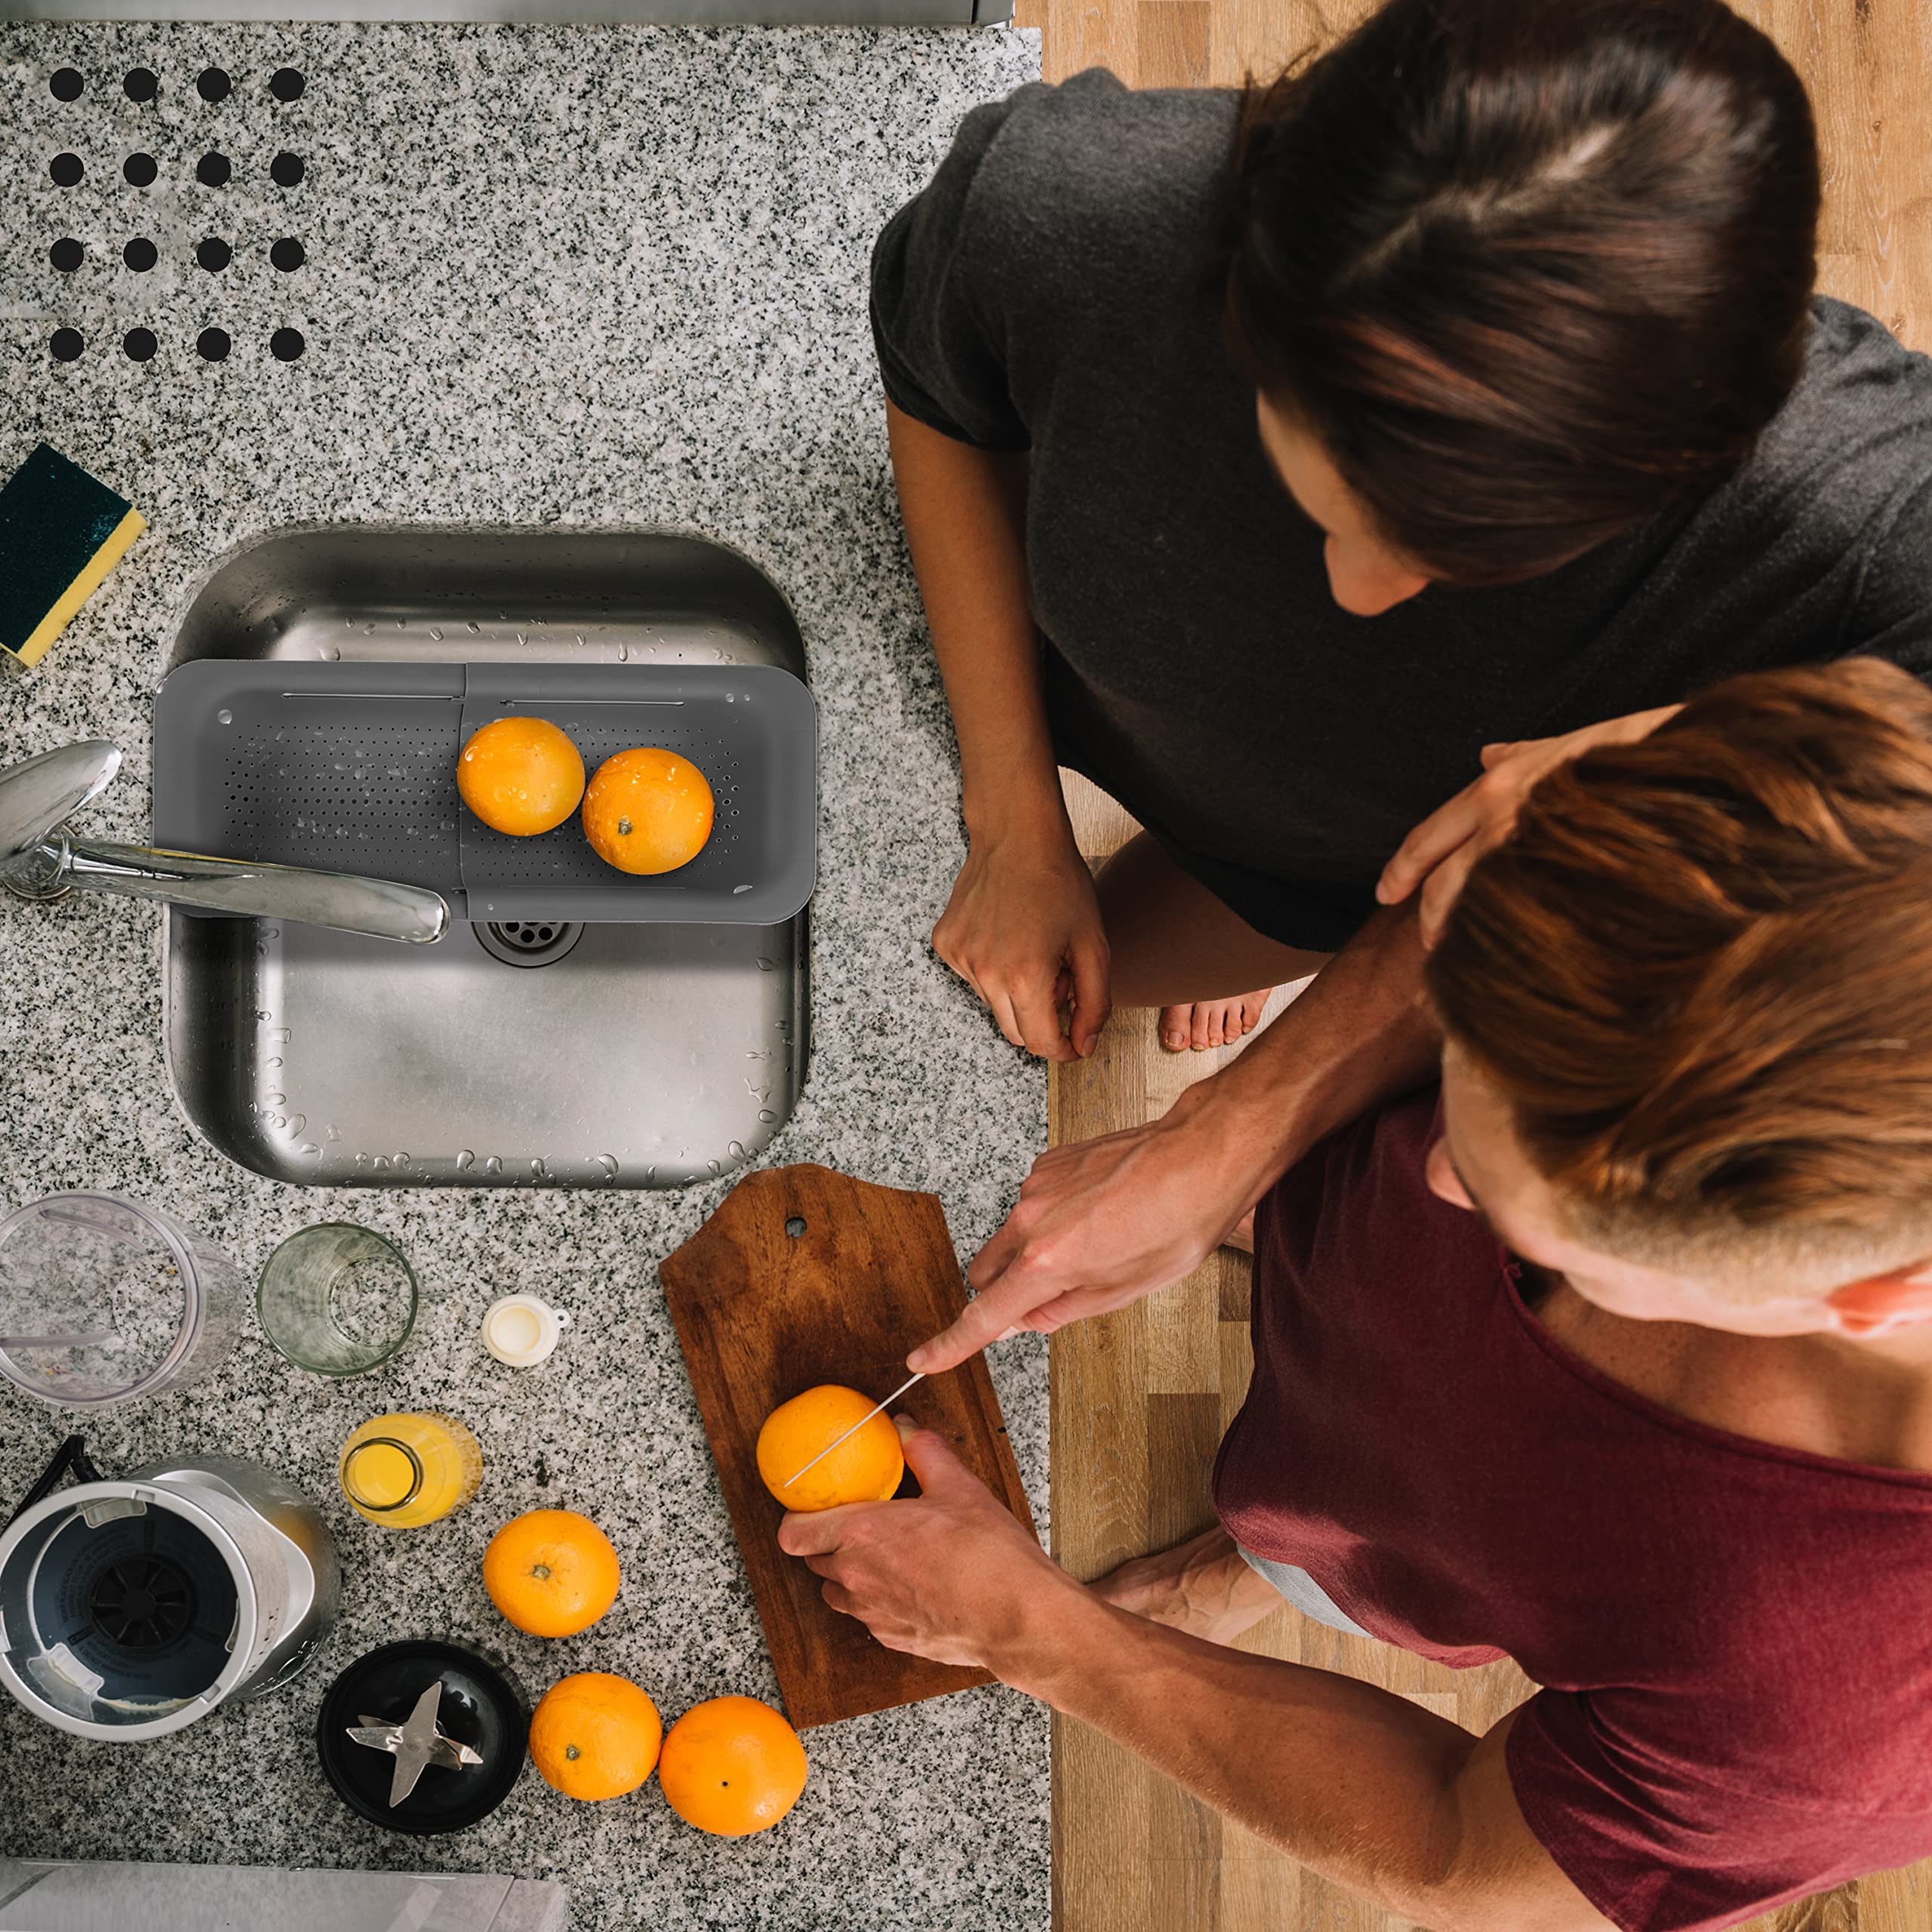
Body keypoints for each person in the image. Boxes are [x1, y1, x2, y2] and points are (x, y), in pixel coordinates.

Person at [789, 660, 1932, 1932]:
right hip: (1328, 1292)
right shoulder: (1853, 802)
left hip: (1418, 1544)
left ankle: (1253, 1568)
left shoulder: (1849, 1721)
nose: (1428, 1165)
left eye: (1526, 1208)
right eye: (1469, 1066)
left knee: (1320, 1557)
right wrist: (1228, 1137)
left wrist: (1044, 1637)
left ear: (1879, 1292)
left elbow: (1453, 1851)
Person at [872, 0, 1932, 1357]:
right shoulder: (1082, 209)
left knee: (1093, 987)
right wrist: (1018, 818)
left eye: (1470, 554)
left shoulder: (1854, 515)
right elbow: (936, 378)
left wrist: (1661, 748)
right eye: (1327, 497)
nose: (1357, 592)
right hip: (1112, 718)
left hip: (1331, 881)